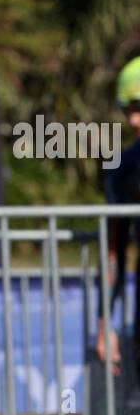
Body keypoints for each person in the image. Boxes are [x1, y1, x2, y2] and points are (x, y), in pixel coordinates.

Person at [95, 56, 140, 379]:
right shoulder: (121, 170)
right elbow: (113, 250)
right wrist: (104, 324)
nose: (135, 120)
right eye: (127, 110)